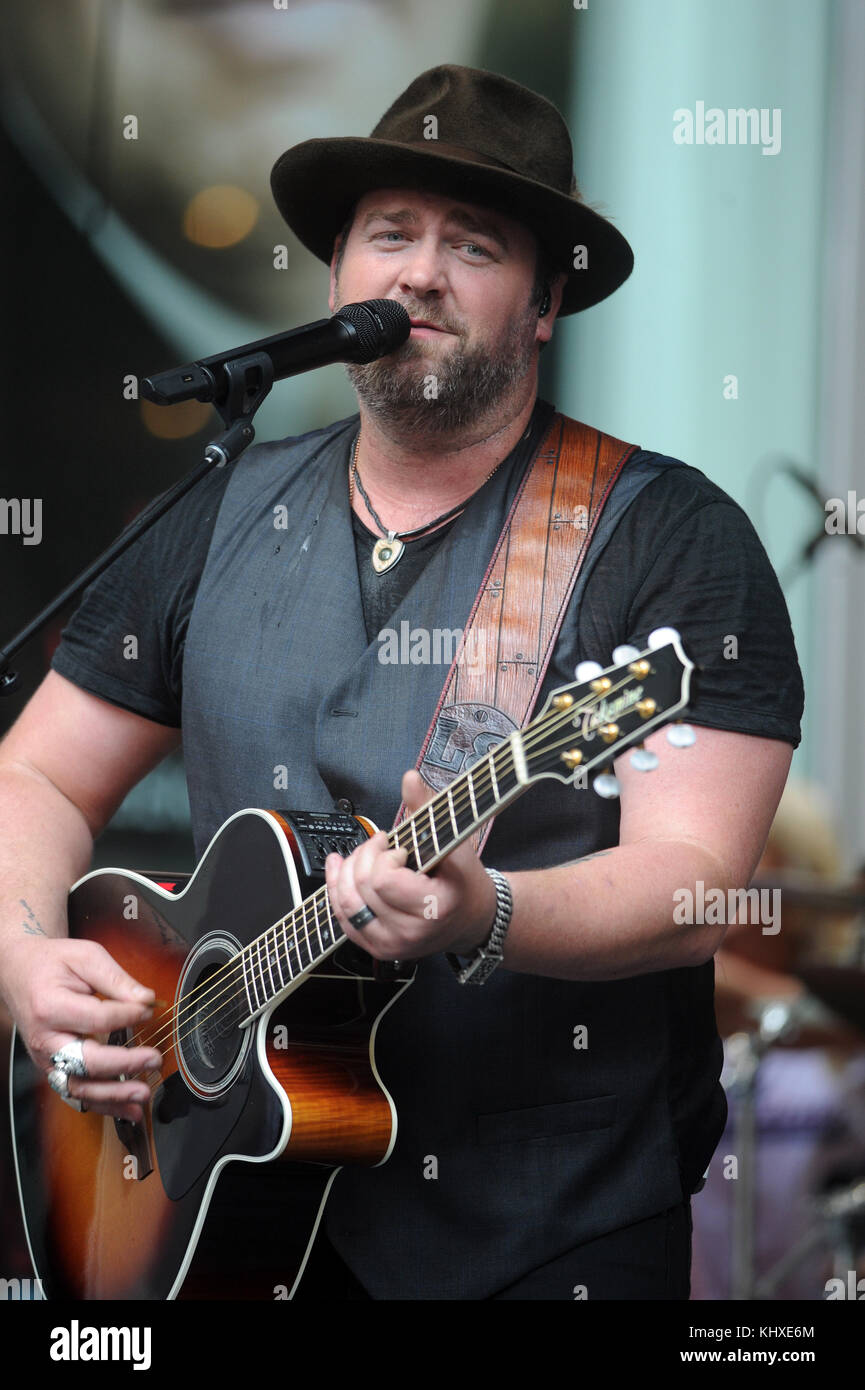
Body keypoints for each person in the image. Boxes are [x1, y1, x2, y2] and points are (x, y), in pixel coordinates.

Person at [0, 64, 803, 1301]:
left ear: (543, 306)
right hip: (219, 1206)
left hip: (543, 1234)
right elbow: (39, 769)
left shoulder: (665, 536)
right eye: (388, 234)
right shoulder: (216, 512)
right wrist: (26, 963)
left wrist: (485, 913)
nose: (418, 273)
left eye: (472, 245)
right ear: (336, 279)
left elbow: (698, 887)